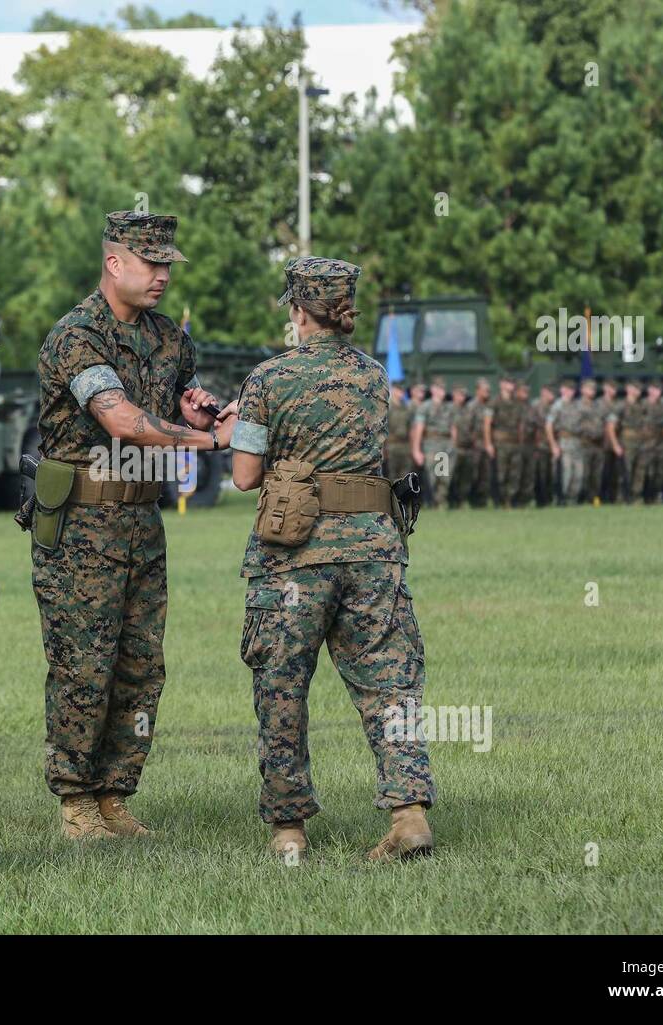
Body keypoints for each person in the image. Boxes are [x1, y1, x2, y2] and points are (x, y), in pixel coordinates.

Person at [222, 256, 435, 863]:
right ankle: (409, 810)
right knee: (390, 682)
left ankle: (289, 830)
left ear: (297, 311)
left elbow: (244, 477)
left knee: (283, 687)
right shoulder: (373, 377)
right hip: (373, 549)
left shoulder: (266, 379)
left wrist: (242, 427)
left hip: (294, 556)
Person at [32, 210, 221, 841]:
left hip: (141, 517)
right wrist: (206, 438)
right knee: (83, 661)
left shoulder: (168, 337)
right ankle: (76, 798)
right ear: (114, 262)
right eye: (151, 263)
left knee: (140, 664)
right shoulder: (77, 336)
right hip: (83, 522)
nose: (163, 275)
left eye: (168, 264)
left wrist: (196, 406)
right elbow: (122, 421)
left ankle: (116, 792)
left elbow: (174, 399)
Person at [410, 377, 453, 507]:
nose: (442, 391)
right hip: (431, 444)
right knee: (432, 475)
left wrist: (453, 444)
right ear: (433, 389)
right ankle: (432, 501)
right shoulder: (425, 407)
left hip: (445, 444)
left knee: (444, 474)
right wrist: (416, 450)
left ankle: (441, 502)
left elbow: (453, 427)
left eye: (443, 389)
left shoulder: (448, 407)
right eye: (439, 388)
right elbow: (419, 429)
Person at [545, 379, 583, 505]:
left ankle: (572, 499)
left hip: (576, 443)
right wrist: (553, 445)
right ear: (562, 390)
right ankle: (560, 498)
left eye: (572, 390)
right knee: (565, 473)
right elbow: (549, 425)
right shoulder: (557, 405)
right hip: (564, 442)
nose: (570, 392)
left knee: (578, 473)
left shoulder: (576, 405)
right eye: (567, 389)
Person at [490, 375, 526, 507]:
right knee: (501, 474)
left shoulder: (518, 403)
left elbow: (521, 425)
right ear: (502, 384)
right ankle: (499, 500)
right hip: (500, 443)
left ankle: (510, 500)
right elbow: (487, 424)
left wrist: (521, 442)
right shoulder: (495, 402)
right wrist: (489, 444)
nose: (511, 385)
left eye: (512, 382)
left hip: (515, 443)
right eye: (508, 382)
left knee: (515, 474)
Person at [386, 381, 413, 482]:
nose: (401, 393)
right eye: (398, 390)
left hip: (405, 445)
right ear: (393, 390)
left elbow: (410, 428)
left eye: (402, 391)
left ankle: (402, 497)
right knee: (391, 474)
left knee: (405, 476)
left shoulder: (406, 408)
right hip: (391, 446)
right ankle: (391, 498)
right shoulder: (387, 407)